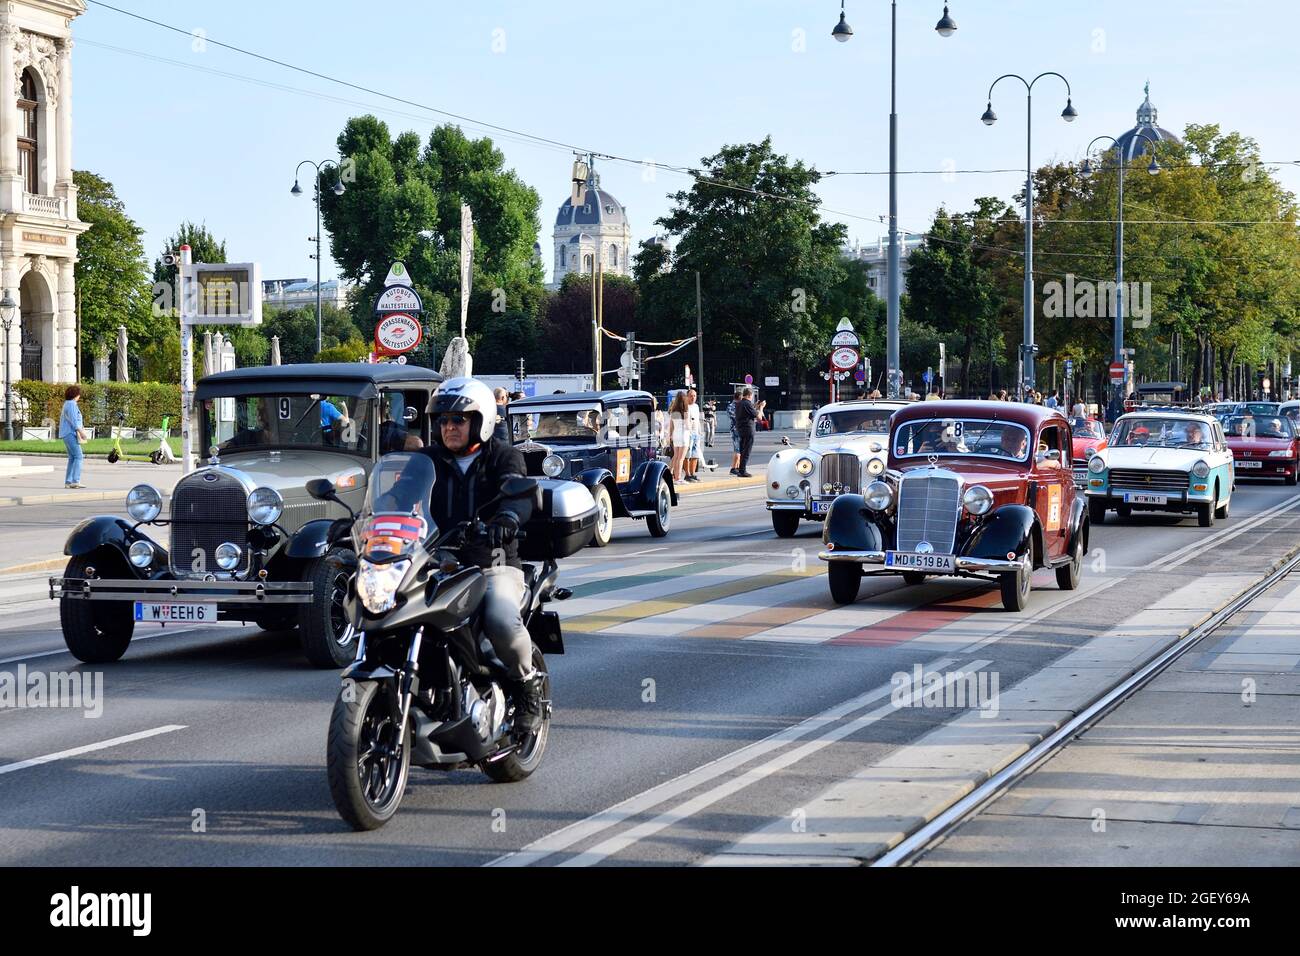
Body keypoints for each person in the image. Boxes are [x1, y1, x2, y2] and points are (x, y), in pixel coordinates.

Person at [417, 377, 544, 733]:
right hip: (433, 563)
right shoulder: (426, 460)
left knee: (501, 619)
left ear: (481, 420)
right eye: (443, 421)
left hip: (492, 564)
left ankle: (526, 686)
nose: (449, 427)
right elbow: (397, 496)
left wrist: (507, 517)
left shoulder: (503, 455)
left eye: (458, 419)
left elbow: (518, 494)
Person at [59, 385, 87, 489]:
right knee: (79, 456)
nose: (79, 396)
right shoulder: (71, 404)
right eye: (79, 394)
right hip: (70, 433)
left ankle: (68, 481)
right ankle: (75, 481)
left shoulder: (67, 404)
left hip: (67, 433)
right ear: (76, 395)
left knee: (72, 458)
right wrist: (81, 432)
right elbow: (74, 421)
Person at [733, 387, 759, 477]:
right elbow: (758, 416)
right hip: (748, 429)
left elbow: (749, 412)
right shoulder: (747, 403)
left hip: (741, 429)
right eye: (752, 396)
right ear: (749, 395)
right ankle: (742, 470)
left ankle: (740, 469)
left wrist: (755, 407)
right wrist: (761, 408)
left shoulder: (739, 403)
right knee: (746, 451)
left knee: (742, 450)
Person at [667, 390, 689, 482]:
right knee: (681, 458)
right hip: (684, 435)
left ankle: (674, 476)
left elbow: (671, 426)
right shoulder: (686, 412)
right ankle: (678, 478)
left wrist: (670, 436)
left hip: (676, 434)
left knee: (676, 457)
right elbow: (688, 426)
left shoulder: (673, 412)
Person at [683, 388, 703, 482]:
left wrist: (699, 431)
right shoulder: (685, 406)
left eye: (694, 396)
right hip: (688, 433)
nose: (693, 398)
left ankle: (693, 473)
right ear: (687, 397)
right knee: (688, 454)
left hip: (696, 432)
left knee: (695, 454)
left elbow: (698, 420)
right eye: (691, 396)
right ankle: (687, 474)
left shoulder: (696, 406)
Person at [727, 389, 742, 475]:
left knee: (739, 449)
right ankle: (733, 467)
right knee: (737, 449)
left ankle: (737, 466)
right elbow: (736, 417)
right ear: (739, 398)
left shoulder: (734, 406)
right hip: (736, 429)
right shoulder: (732, 406)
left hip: (738, 429)